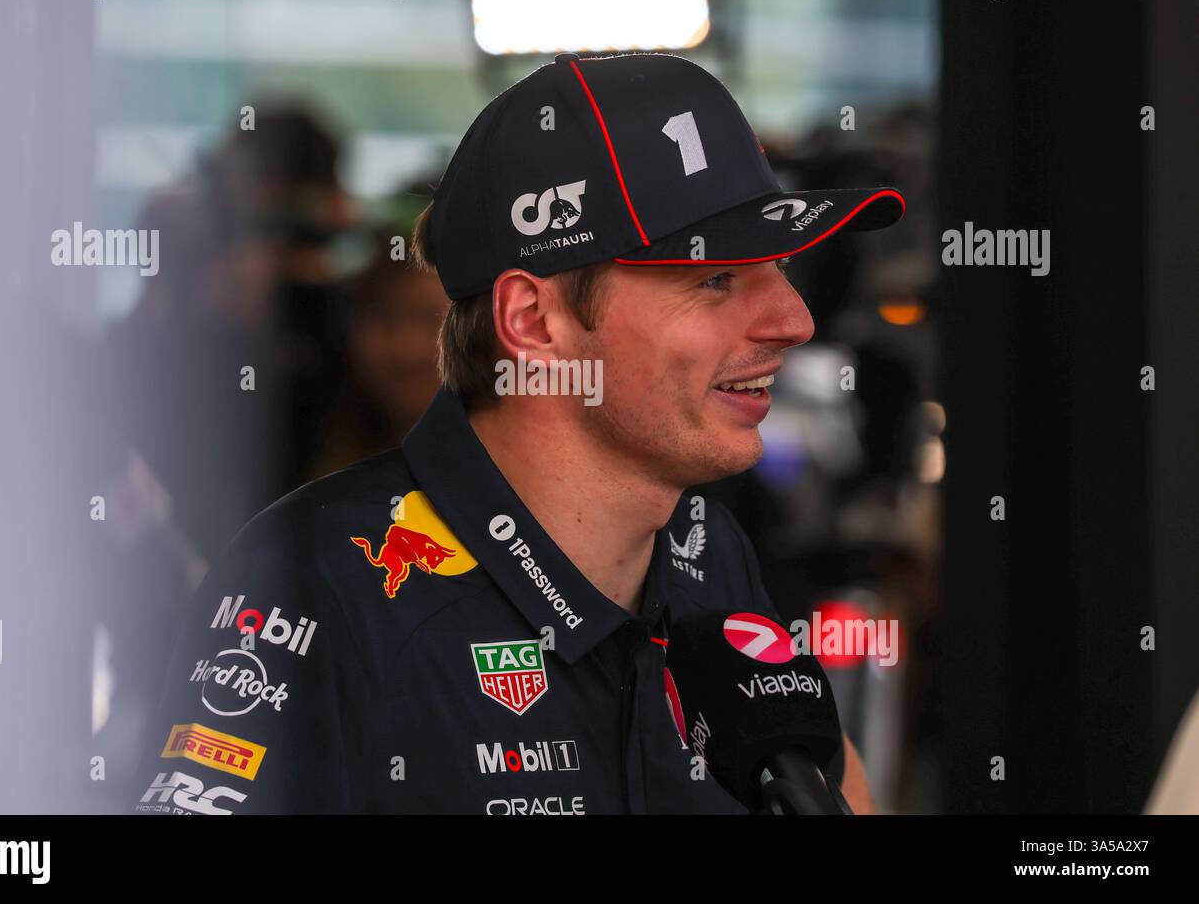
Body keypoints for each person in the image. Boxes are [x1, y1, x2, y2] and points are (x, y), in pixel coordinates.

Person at [132, 52, 904, 815]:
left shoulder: (708, 553)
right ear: (534, 323)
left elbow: (842, 797)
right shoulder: (317, 583)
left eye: (779, 268)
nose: (792, 321)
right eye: (714, 279)